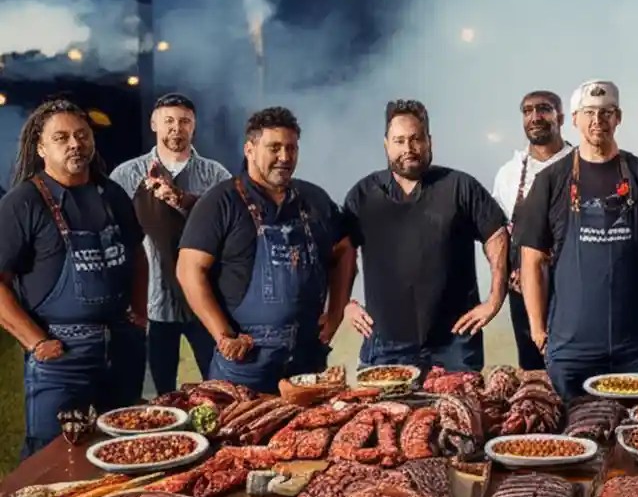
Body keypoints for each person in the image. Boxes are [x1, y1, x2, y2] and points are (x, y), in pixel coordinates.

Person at [516, 80, 638, 399]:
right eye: (590, 113)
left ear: (618, 118)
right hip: (571, 349)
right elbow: (532, 260)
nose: (598, 121)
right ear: (576, 119)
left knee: (634, 437)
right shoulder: (550, 182)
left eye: (606, 113)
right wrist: (538, 329)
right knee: (577, 434)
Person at [0, 99, 147, 457]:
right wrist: (36, 342)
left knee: (125, 449)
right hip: (62, 354)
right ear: (41, 147)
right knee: (52, 458)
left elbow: (138, 254)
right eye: (61, 137)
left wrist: (139, 313)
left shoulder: (112, 194)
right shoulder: (24, 202)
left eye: (82, 135)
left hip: (121, 345)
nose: (75, 144)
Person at [177, 107, 353, 393]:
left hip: (307, 358)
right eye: (274, 148)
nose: (284, 157)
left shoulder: (314, 199)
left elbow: (344, 250)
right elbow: (188, 270)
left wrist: (336, 313)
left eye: (291, 148)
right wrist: (223, 335)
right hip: (246, 361)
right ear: (250, 149)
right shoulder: (220, 201)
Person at [344, 100, 509, 371]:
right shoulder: (363, 194)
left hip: (455, 342)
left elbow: (497, 236)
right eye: (399, 141)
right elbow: (341, 252)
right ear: (386, 144)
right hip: (385, 344)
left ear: (429, 141)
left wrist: (494, 300)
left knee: (459, 413)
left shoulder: (459, 186)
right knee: (384, 414)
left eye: (415, 139)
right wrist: (346, 304)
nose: (408, 149)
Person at [110, 93, 231, 395]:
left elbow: (233, 227)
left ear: (194, 126)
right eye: (169, 121)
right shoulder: (127, 175)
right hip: (151, 302)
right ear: (154, 124)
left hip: (205, 299)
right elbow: (112, 234)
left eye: (184, 121)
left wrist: (181, 201)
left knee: (221, 385)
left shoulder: (215, 175)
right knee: (158, 393)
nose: (176, 128)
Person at [491, 91, 572, 370]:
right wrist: (505, 276)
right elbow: (499, 235)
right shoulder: (509, 174)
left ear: (560, 118)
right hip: (524, 291)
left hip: (574, 290)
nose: (535, 117)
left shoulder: (582, 164)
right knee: (534, 375)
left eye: (544, 109)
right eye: (527, 111)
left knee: (577, 373)